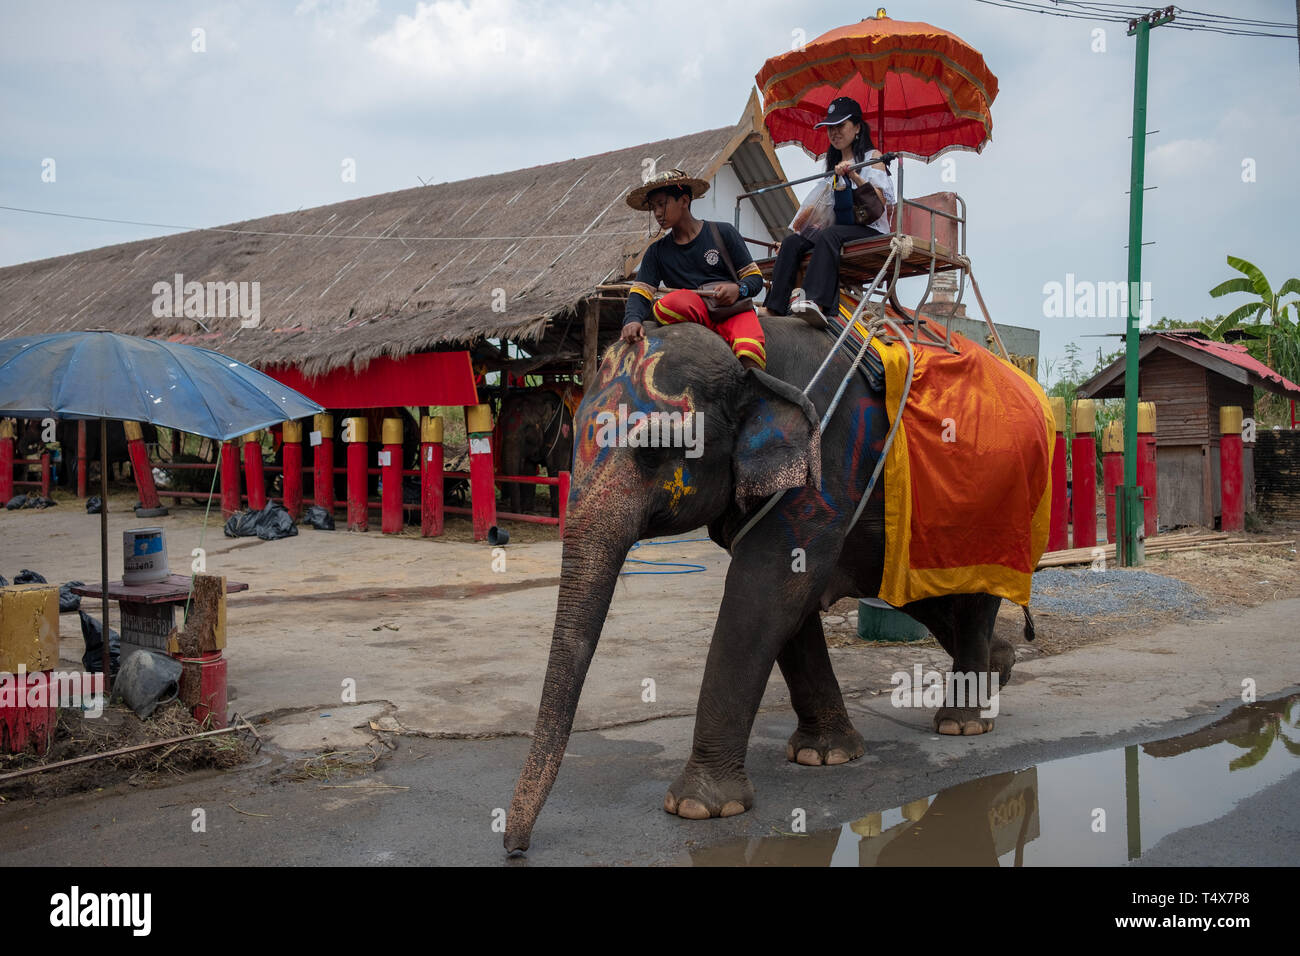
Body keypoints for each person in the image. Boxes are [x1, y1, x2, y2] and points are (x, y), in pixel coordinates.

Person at [620, 169, 769, 370]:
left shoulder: (723, 232)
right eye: (653, 207)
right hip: (692, 313)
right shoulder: (656, 251)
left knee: (750, 353)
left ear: (683, 200)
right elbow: (641, 292)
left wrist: (738, 289)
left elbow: (754, 278)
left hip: (731, 311)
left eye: (662, 204)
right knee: (668, 304)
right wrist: (632, 320)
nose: (656, 213)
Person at [765, 97, 896, 320]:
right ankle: (773, 307)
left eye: (840, 126)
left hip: (868, 228)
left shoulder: (873, 158)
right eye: (830, 128)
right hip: (837, 228)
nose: (834, 132)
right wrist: (799, 231)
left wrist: (853, 174)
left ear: (856, 128)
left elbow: (879, 205)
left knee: (829, 235)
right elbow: (817, 212)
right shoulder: (830, 168)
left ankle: (816, 302)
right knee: (792, 242)